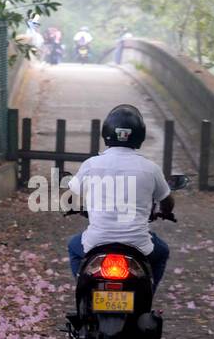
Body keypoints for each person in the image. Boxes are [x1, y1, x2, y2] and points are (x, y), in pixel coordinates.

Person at [67, 104, 173, 292]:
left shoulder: (91, 165)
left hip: (96, 243)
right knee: (162, 251)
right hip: (139, 245)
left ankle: (84, 289)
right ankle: (147, 294)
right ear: (140, 135)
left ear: (106, 133)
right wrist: (165, 211)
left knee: (73, 245)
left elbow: (71, 196)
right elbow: (167, 200)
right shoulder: (151, 169)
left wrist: (80, 206)